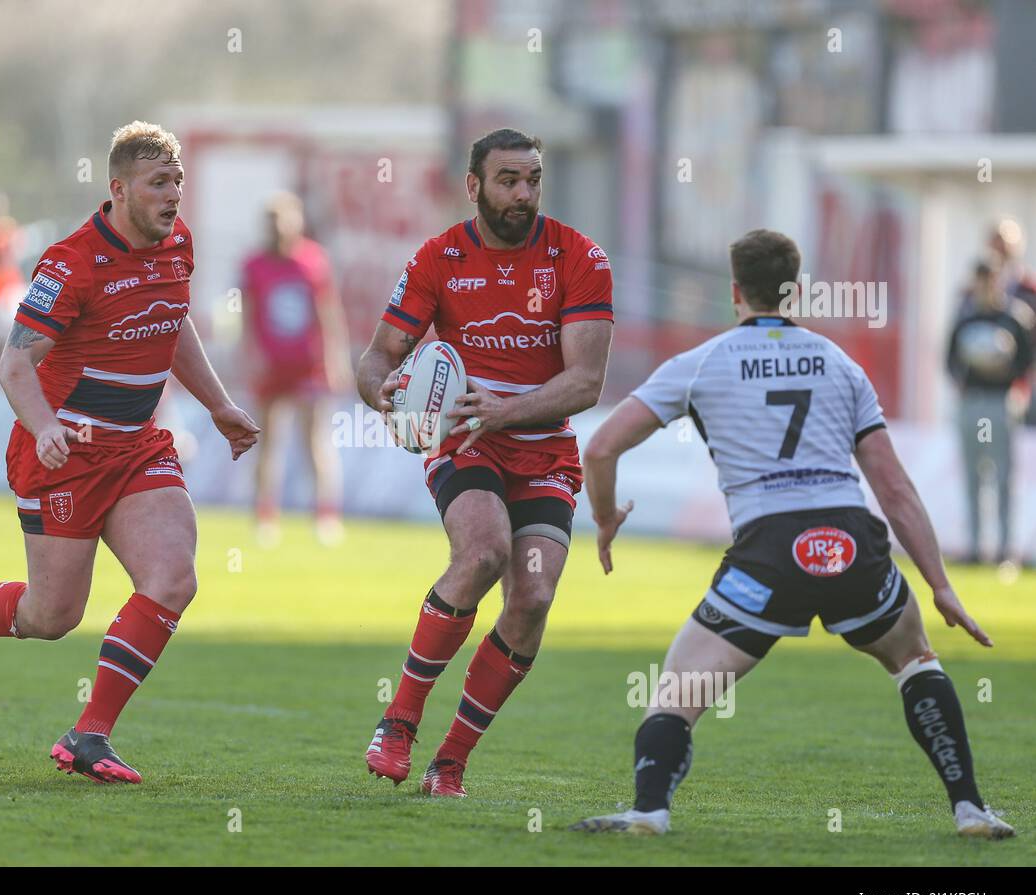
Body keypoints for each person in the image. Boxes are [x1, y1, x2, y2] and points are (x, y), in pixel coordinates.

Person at [573, 229, 1012, 839]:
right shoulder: (840, 364)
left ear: (735, 292)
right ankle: (970, 810)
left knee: (677, 691)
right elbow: (894, 487)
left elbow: (599, 448)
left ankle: (649, 811)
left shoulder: (701, 362)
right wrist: (939, 585)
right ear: (796, 290)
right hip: (852, 543)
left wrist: (603, 517)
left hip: (768, 555)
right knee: (915, 661)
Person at [0, 122, 260, 783]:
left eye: (177, 182)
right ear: (119, 189)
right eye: (158, 184)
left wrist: (219, 402)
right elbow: (13, 365)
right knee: (50, 616)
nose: (173, 195)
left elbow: (172, 325)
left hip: (139, 447)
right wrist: (47, 427)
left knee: (173, 578)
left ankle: (90, 735)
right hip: (65, 454)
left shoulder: (179, 246)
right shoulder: (71, 261)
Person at [357, 128, 614, 797]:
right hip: (465, 439)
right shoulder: (439, 258)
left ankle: (451, 761)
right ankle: (401, 720)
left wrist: (508, 407)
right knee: (482, 553)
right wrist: (382, 396)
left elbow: (587, 383)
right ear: (473, 186)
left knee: (532, 598)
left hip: (545, 449)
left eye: (532, 180)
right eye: (508, 180)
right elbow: (378, 357)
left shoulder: (580, 257)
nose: (522, 194)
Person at [241, 192, 351, 546]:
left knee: (315, 442)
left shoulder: (313, 261)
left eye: (283, 221)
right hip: (271, 367)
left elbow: (328, 313)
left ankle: (325, 516)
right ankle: (265, 516)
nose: (278, 229)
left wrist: (336, 359)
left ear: (297, 222)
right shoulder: (254, 265)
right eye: (272, 223)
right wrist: (249, 354)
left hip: (309, 366)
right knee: (267, 442)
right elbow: (246, 315)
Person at [946, 255, 1033, 564]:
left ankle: (1006, 549)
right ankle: (974, 546)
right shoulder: (966, 318)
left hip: (999, 404)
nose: (987, 285)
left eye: (992, 278)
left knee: (1002, 473)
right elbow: (950, 359)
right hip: (975, 404)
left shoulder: (1014, 318)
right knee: (975, 472)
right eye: (982, 279)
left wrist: (1008, 378)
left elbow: (1026, 360)